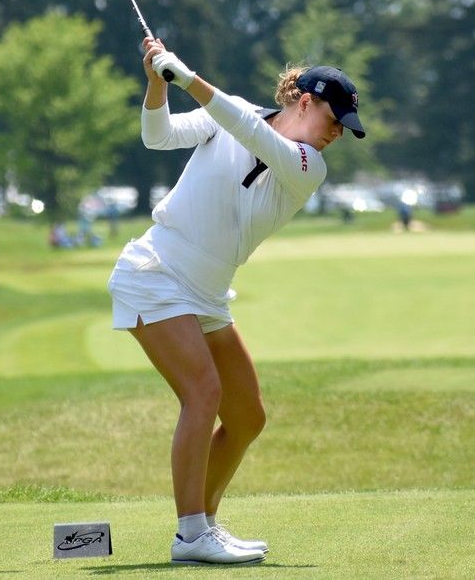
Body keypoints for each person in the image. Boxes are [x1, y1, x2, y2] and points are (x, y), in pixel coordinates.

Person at [107, 37, 365, 566]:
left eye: (345, 128)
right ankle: (190, 534)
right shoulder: (234, 114)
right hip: (155, 273)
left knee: (247, 416)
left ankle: (205, 523)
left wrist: (188, 76)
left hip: (206, 292)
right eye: (334, 119)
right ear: (304, 101)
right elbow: (158, 136)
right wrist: (160, 82)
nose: (337, 133)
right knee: (203, 394)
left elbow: (245, 128)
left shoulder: (306, 166)